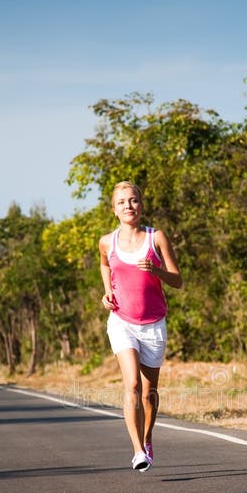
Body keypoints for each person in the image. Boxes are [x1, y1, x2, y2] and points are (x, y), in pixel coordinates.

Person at [99, 181, 182, 471]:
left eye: (133, 201)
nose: (128, 206)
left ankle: (147, 439)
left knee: (149, 393)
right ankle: (137, 452)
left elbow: (177, 280)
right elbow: (105, 265)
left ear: (141, 205)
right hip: (122, 321)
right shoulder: (107, 241)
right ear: (114, 210)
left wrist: (156, 270)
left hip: (154, 324)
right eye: (121, 202)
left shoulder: (155, 237)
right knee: (132, 384)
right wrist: (108, 291)